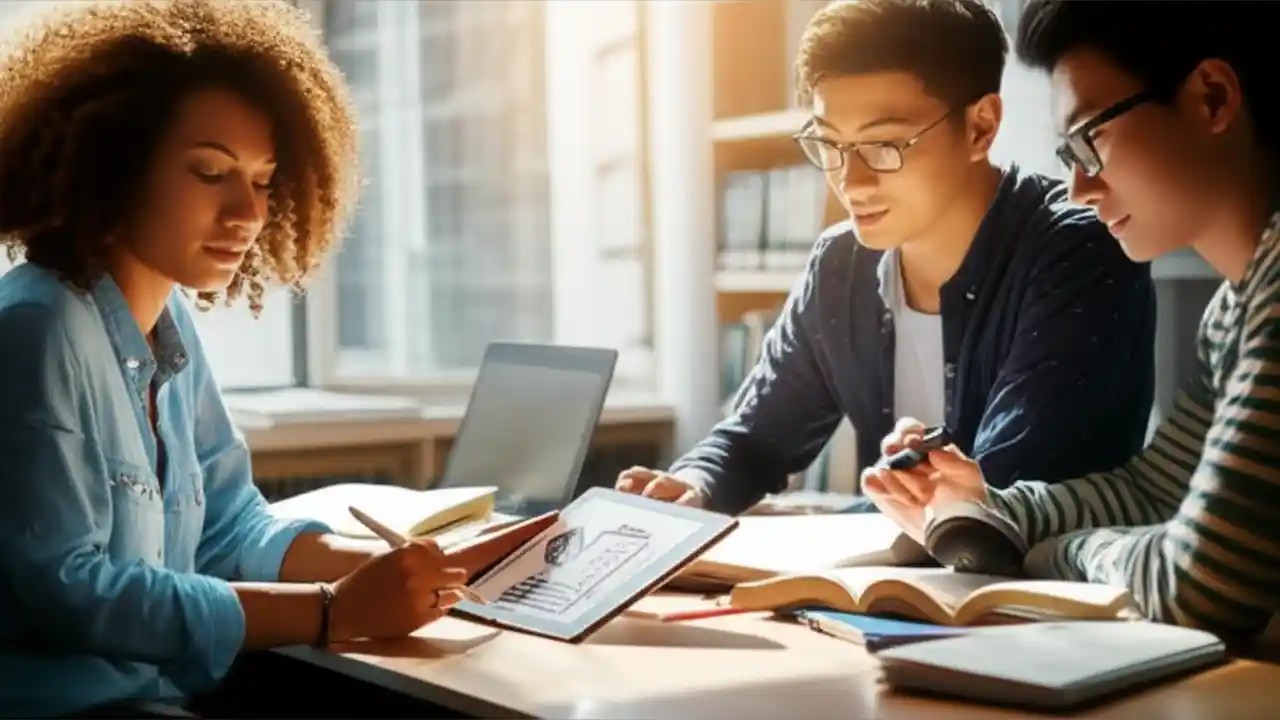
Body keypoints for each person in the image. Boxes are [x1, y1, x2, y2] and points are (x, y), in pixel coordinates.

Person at [0, 1, 531, 716]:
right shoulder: (37, 330)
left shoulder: (167, 328)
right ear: (112, 164)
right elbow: (72, 593)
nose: (248, 214)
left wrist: (406, 573)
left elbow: (229, 529)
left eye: (261, 180)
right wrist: (332, 609)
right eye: (209, 171)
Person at [617, 0, 1155, 515]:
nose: (851, 183)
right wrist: (693, 486)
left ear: (981, 127)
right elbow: (755, 439)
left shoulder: (1081, 248)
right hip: (895, 569)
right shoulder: (840, 264)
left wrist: (831, 519)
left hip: (1042, 578)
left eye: (884, 147)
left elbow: (1006, 492)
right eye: (830, 145)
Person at [864, 1, 1280, 641]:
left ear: (1212, 99)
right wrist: (988, 510)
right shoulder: (1236, 305)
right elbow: (1154, 494)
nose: (1080, 189)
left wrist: (1057, 555)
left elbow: (1199, 586)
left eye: (1091, 139)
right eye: (1067, 155)